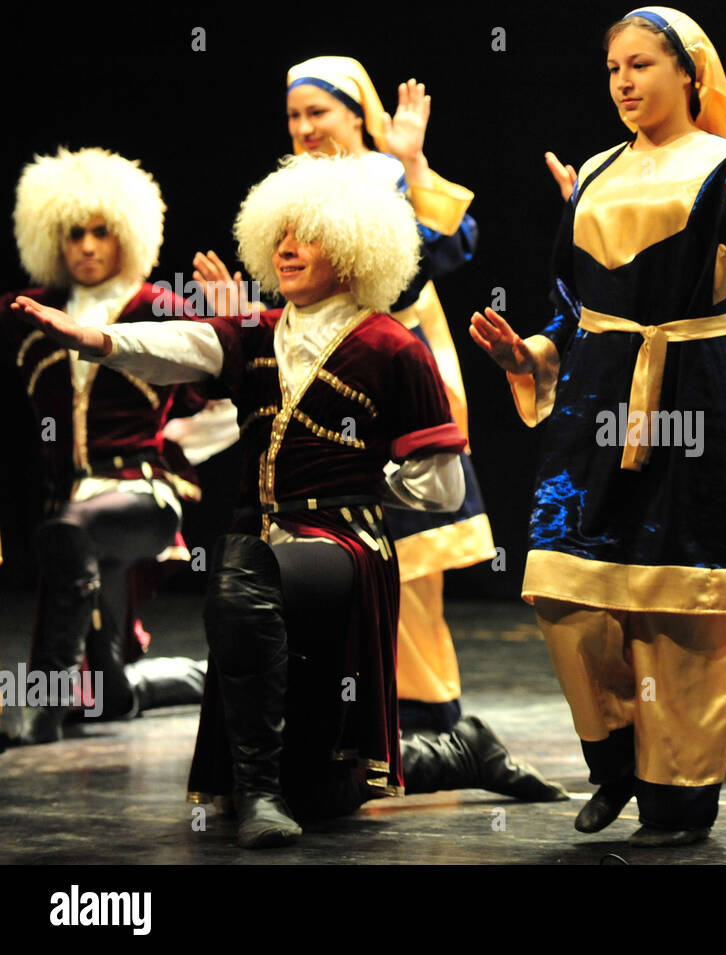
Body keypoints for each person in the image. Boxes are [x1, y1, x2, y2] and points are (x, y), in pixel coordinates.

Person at [12, 154, 562, 849]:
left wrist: (367, 486)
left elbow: (443, 484)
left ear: (356, 244)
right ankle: (460, 752)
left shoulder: (392, 346)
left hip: (346, 544)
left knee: (243, 584)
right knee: (327, 790)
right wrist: (91, 338)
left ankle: (258, 792)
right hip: (263, 536)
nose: (287, 245)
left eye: (310, 232)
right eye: (280, 233)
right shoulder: (256, 332)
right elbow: (176, 345)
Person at [471, 7, 726, 846]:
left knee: (683, 600)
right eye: (613, 68)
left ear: (690, 72)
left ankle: (678, 798)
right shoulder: (595, 169)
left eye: (642, 65)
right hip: (594, 394)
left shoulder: (723, 165)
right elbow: (570, 296)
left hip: (689, 387)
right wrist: (536, 352)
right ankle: (617, 756)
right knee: (563, 586)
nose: (624, 81)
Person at [193, 55, 495, 736]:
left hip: (389, 372)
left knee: (411, 547)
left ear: (358, 113)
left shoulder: (384, 176)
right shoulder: (296, 191)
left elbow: (442, 254)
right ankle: (349, 715)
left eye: (318, 112)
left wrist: (412, 166)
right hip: (322, 375)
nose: (303, 127)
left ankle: (424, 713)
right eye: (294, 114)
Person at [0, 148, 209, 747]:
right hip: (73, 512)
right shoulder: (26, 315)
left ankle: (42, 706)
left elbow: (223, 402)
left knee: (68, 528)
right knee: (108, 698)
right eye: (73, 233)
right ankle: (202, 675)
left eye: (101, 232)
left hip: (142, 498)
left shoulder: (158, 310)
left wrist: (179, 452)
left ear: (128, 235)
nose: (87, 246)